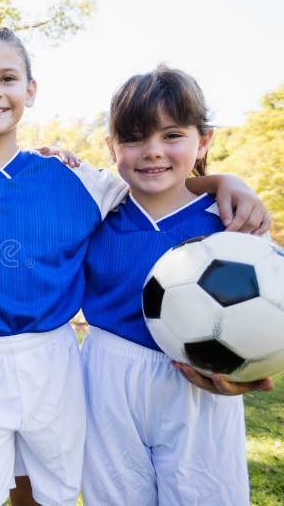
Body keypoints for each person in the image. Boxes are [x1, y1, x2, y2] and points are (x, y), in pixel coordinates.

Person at [0, 25, 269, 506]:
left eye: (8, 77)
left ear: (30, 90)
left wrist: (223, 180)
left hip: (62, 365)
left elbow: (163, 186)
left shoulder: (84, 183)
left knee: (62, 489)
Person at [79, 65, 273, 505]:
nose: (152, 152)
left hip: (197, 382)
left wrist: (248, 367)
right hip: (106, 378)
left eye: (171, 136)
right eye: (133, 138)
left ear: (203, 140)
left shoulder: (231, 226)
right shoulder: (97, 211)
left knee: (204, 493)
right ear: (111, 147)